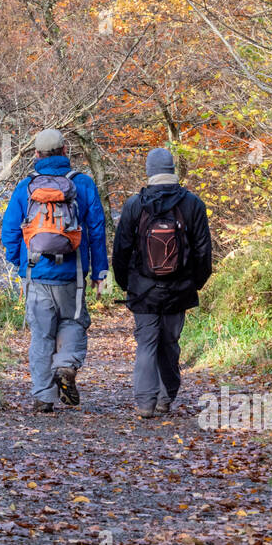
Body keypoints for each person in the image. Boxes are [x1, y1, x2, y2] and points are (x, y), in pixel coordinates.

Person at [0, 129, 108, 413]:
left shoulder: (26, 187)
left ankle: (43, 397)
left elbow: (10, 231)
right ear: (65, 151)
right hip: (72, 275)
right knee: (73, 322)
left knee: (41, 335)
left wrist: (19, 263)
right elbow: (96, 231)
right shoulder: (83, 184)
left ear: (36, 155)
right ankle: (65, 366)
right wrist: (100, 273)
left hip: (36, 273)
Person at [112, 148, 213, 418]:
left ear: (149, 171)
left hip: (143, 288)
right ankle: (166, 397)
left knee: (146, 342)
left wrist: (126, 283)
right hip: (179, 287)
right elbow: (204, 251)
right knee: (169, 342)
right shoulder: (193, 204)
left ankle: (145, 403)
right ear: (171, 170)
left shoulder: (135, 204)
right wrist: (196, 283)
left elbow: (121, 249)